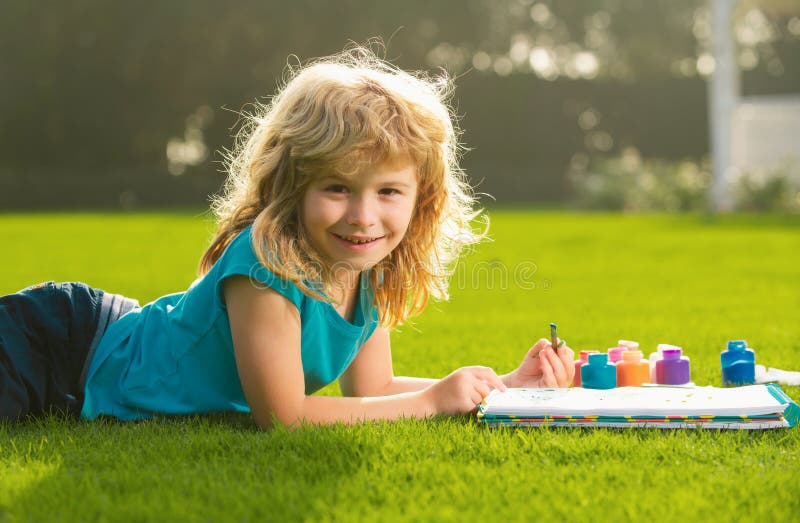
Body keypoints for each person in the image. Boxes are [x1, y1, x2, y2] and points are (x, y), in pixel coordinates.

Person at [0, 47, 575, 428]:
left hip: (88, 364)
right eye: (336, 188)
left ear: (420, 198)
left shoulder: (364, 268)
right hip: (66, 342)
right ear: (292, 185)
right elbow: (285, 415)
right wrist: (431, 402)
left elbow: (372, 388)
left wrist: (498, 387)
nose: (363, 217)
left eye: (388, 193)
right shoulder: (265, 263)